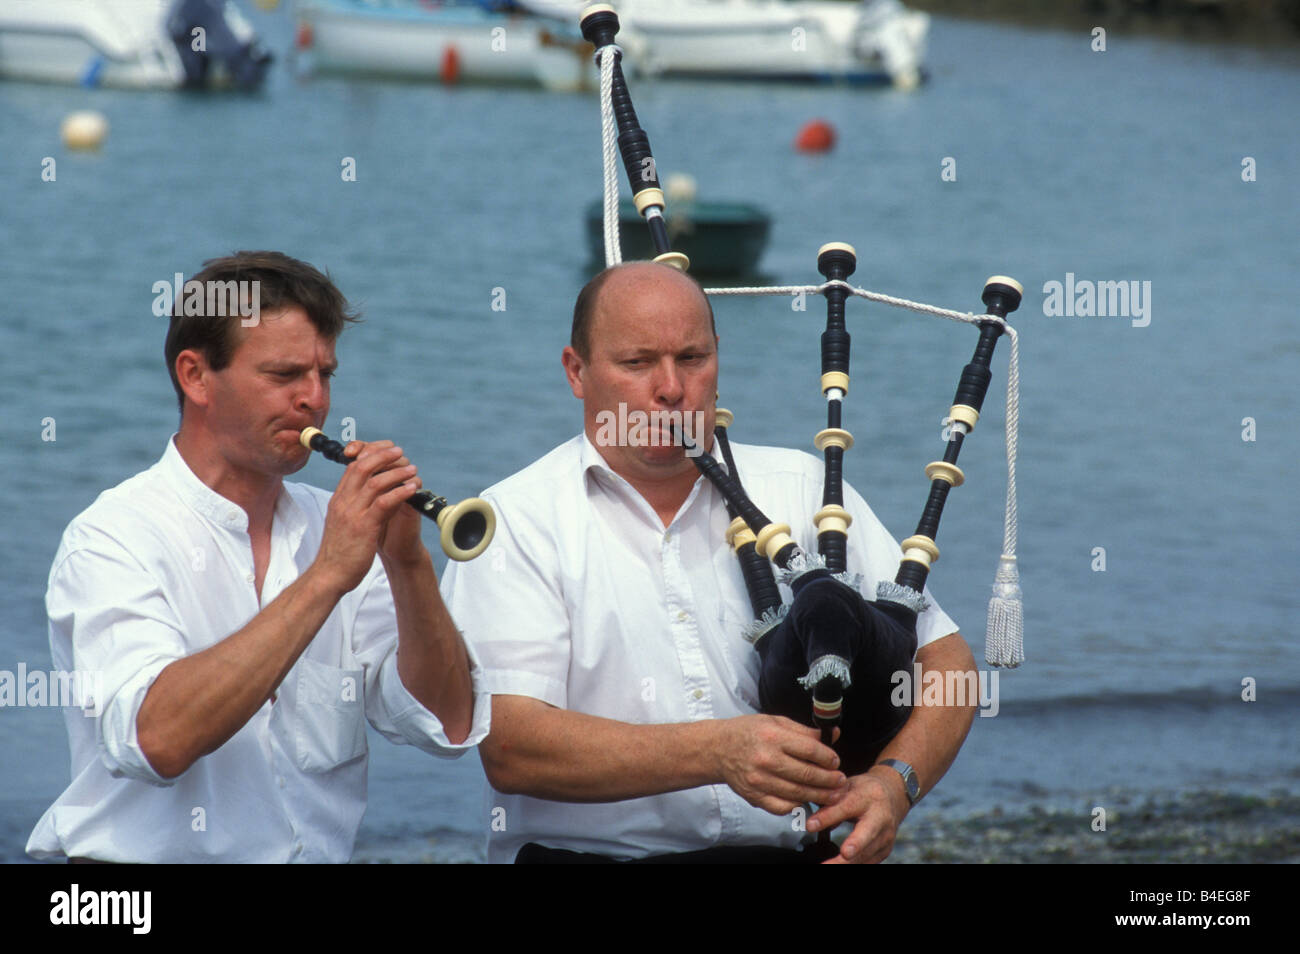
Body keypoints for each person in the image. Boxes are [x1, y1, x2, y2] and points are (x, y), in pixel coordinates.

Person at [441, 261, 979, 864]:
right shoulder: (515, 519)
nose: (670, 387)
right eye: (637, 362)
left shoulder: (799, 487)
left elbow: (947, 662)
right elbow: (513, 746)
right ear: (576, 371)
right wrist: (717, 752)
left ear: (718, 359)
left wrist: (893, 784)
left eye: (692, 359)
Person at [27, 251, 489, 863]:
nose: (314, 400)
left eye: (325, 374)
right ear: (195, 377)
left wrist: (408, 565)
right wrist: (327, 575)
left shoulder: (338, 527)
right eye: (284, 375)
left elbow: (448, 725)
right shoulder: (113, 539)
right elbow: (158, 738)